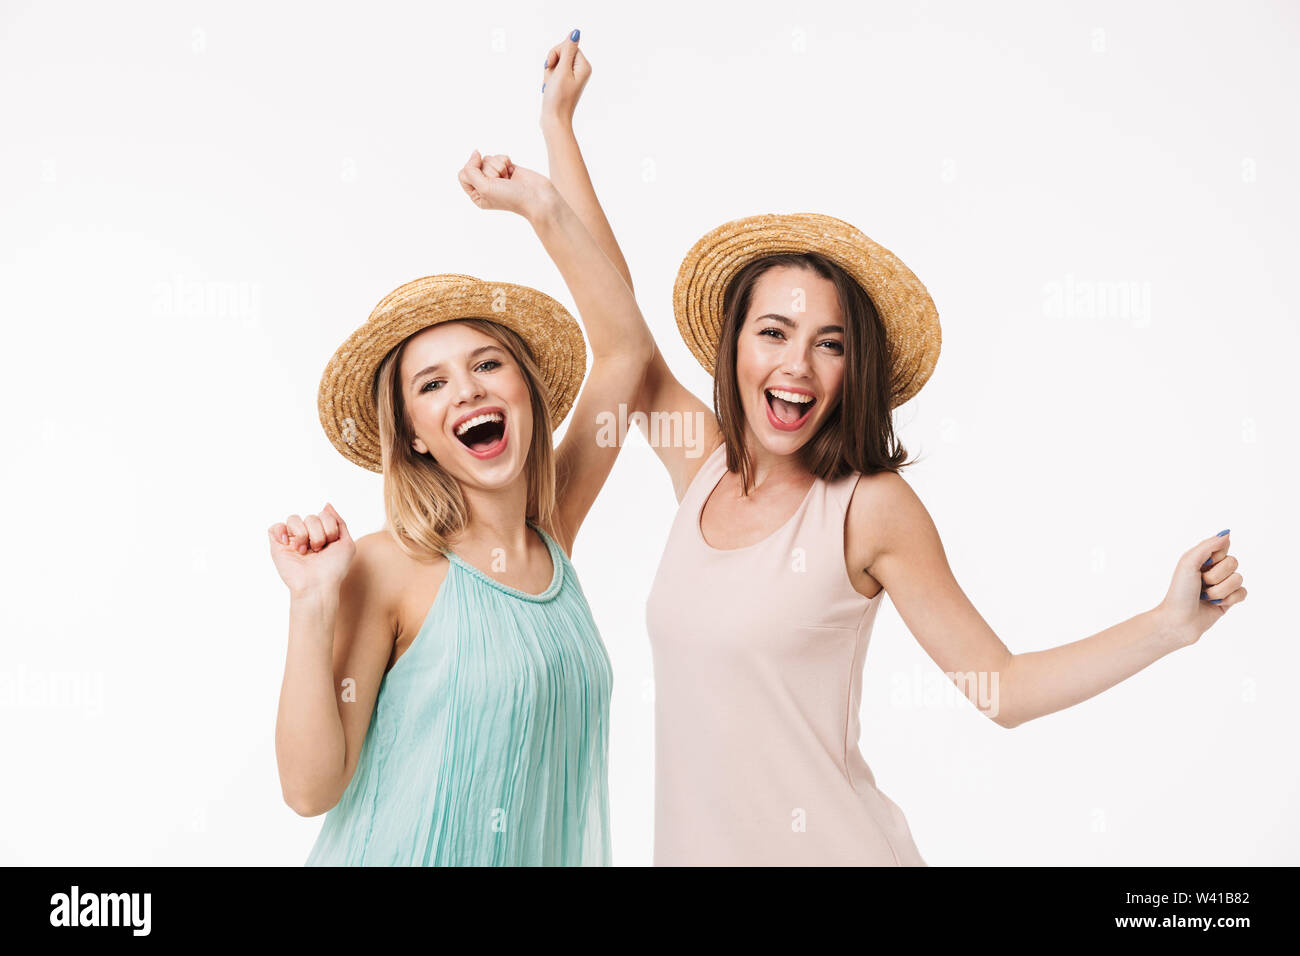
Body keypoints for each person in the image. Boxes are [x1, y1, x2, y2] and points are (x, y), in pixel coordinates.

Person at [530, 30, 1249, 865]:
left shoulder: (869, 509)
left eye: (830, 345)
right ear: (734, 349)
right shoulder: (703, 469)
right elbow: (623, 333)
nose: (797, 365)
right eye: (774, 332)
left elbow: (1001, 689)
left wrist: (1168, 625)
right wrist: (560, 131)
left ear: (854, 369)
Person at [267, 147, 654, 864]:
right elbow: (310, 790)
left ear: (525, 391)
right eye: (432, 384)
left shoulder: (552, 533)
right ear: (413, 434)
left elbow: (626, 348)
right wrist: (311, 606)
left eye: (486, 363)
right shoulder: (389, 566)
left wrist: (543, 197)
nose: (469, 391)